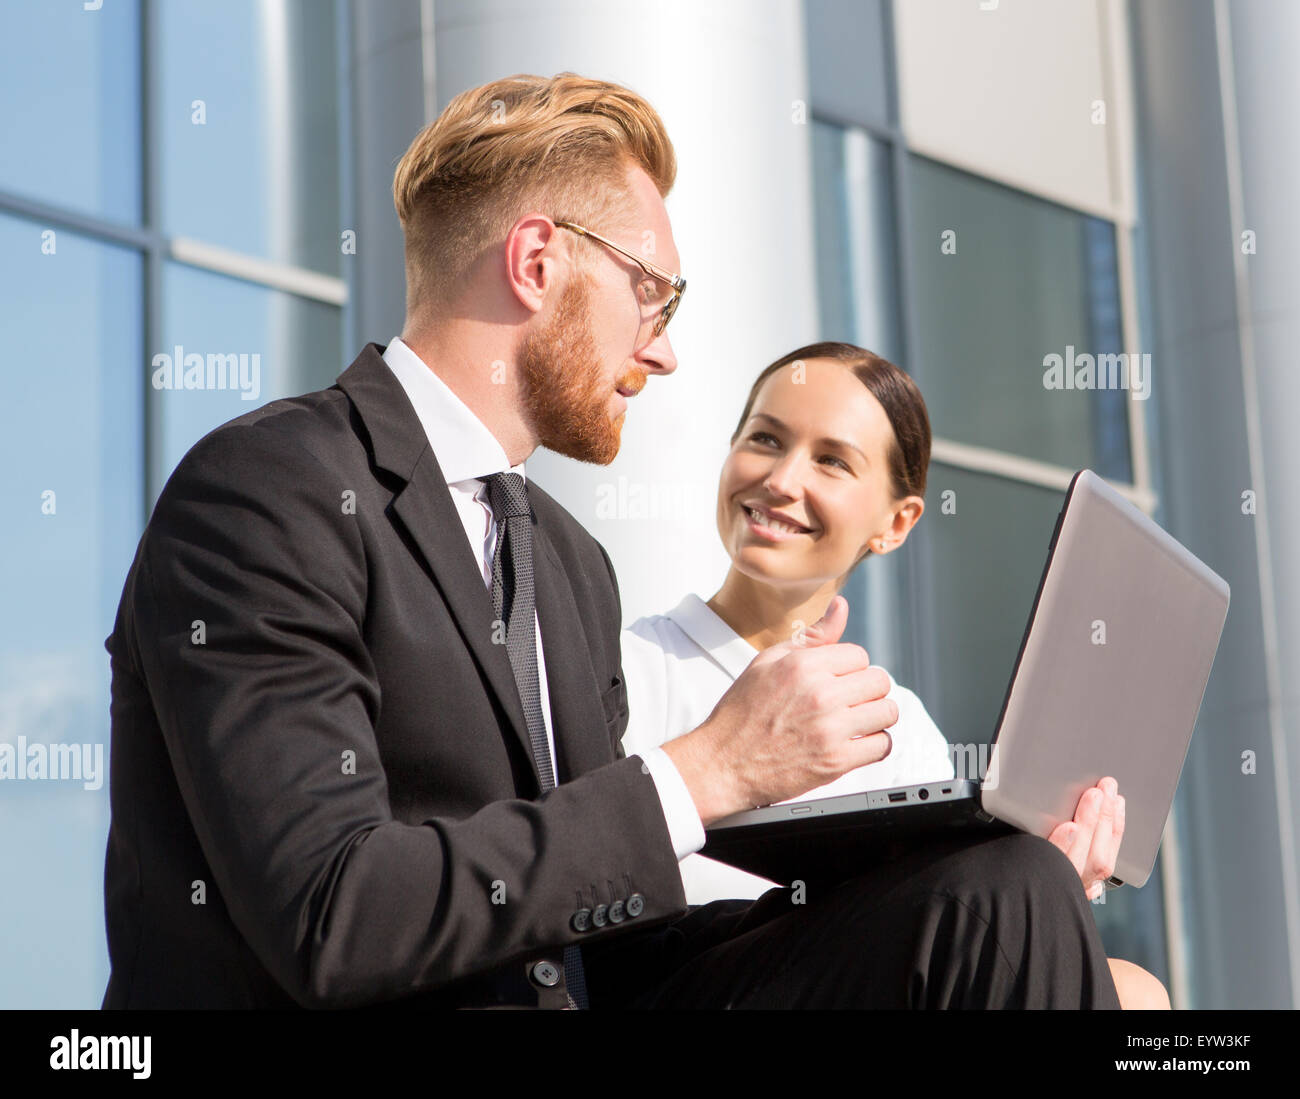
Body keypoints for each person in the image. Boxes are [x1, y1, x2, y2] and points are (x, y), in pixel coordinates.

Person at [101, 72, 1124, 1010]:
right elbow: (333, 913)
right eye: (653, 292)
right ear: (539, 261)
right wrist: (704, 770)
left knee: (1004, 892)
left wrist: (903, 882)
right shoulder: (269, 490)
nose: (666, 350)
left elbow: (606, 948)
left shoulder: (568, 563)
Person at [620, 340, 1170, 1009]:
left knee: (1138, 993)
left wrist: (1055, 884)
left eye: (831, 460)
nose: (783, 479)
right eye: (765, 439)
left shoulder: (898, 723)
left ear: (896, 521)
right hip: (687, 982)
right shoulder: (624, 667)